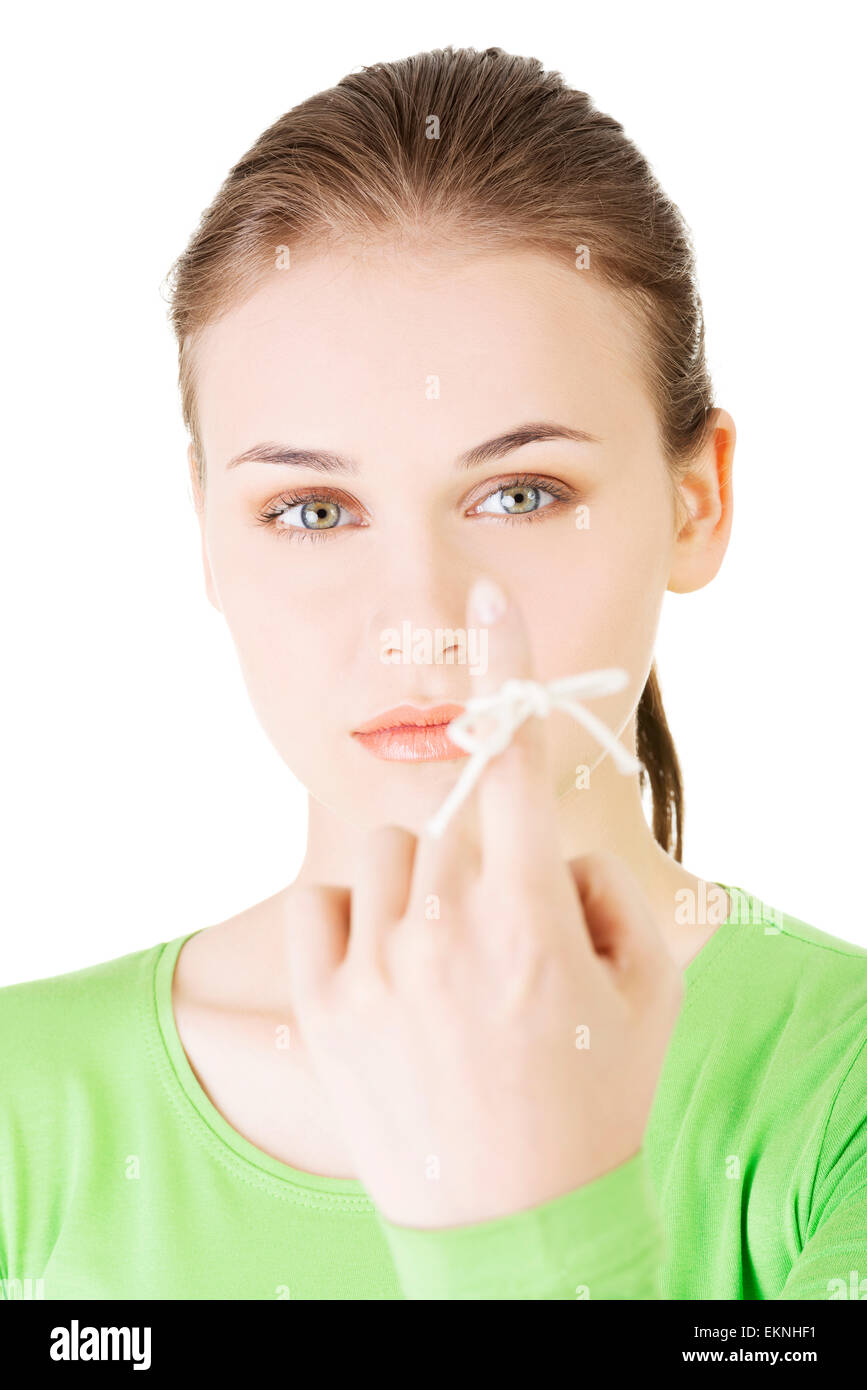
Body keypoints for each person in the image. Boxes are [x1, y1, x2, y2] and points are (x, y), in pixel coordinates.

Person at [2, 45, 865, 1302]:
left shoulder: (837, 1092)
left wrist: (522, 1221)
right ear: (204, 532)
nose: (419, 621)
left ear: (699, 499)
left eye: (520, 493)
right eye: (308, 509)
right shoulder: (22, 1110)